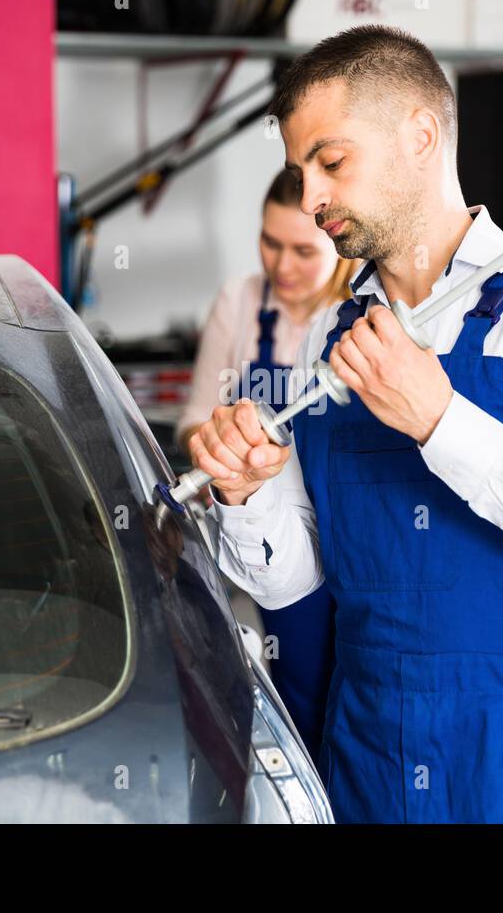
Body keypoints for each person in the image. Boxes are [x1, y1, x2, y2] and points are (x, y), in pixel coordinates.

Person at [189, 25, 503, 823]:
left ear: (421, 134)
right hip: (370, 755)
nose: (310, 202)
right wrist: (250, 497)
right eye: (299, 172)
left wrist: (442, 420)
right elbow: (301, 578)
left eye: (331, 164)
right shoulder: (329, 340)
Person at [177, 168, 353, 768]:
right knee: (295, 697)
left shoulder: (357, 317)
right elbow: (195, 419)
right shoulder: (240, 302)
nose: (283, 264)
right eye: (269, 243)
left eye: (303, 250)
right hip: (265, 532)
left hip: (348, 537)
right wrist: (227, 445)